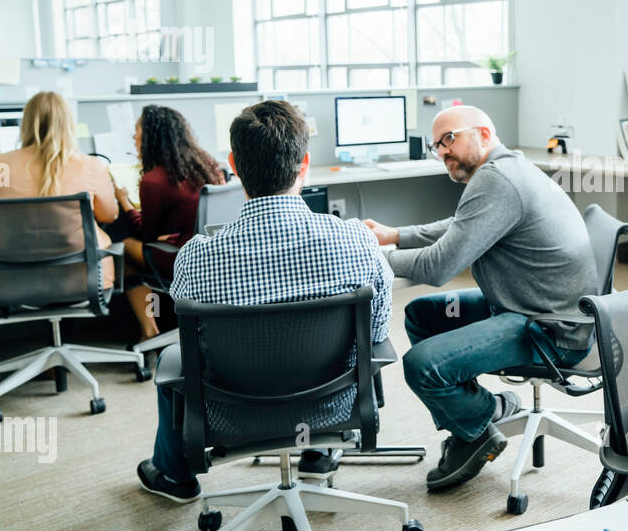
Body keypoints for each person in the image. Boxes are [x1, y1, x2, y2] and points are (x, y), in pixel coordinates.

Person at [137, 100, 392, 502]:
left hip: (231, 416)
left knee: (174, 361)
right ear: (304, 162)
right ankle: (318, 451)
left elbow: (197, 349)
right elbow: (376, 334)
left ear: (234, 165)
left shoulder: (196, 256)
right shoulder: (357, 240)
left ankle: (176, 478)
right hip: (332, 408)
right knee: (327, 349)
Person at [362, 105, 598, 491]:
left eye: (449, 139)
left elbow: (439, 266)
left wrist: (374, 259)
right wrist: (396, 235)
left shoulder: (497, 179)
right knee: (423, 314)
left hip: (550, 329)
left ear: (484, 134)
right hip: (526, 305)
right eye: (436, 145)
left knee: (422, 365)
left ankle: (480, 421)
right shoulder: (505, 169)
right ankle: (471, 417)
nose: (442, 152)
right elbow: (460, 227)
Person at [0, 91, 118, 287]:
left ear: (26, 123)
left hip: (14, 281)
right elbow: (108, 216)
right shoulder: (92, 166)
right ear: (68, 124)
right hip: (86, 280)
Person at [115, 105, 224, 341]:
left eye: (137, 131)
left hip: (182, 258)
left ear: (152, 136)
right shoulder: (208, 165)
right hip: (215, 255)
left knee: (124, 249)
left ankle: (149, 330)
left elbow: (147, 234)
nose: (134, 137)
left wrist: (125, 203)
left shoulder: (153, 180)